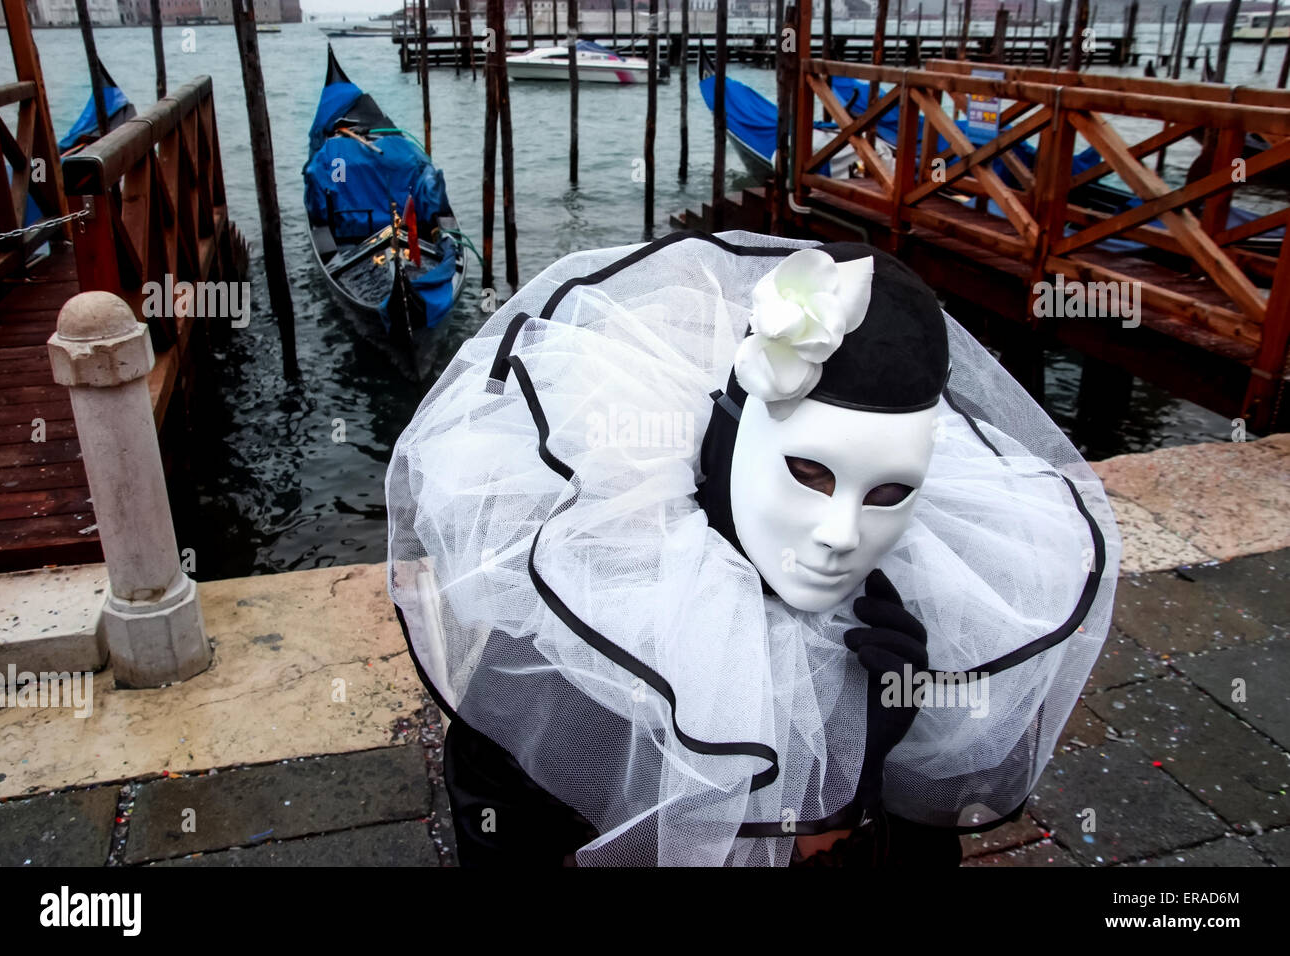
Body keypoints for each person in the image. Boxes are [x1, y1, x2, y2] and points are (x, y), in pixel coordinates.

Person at [387, 231, 1121, 867]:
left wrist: (874, 775)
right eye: (809, 473)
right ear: (736, 444)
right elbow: (505, 841)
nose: (840, 536)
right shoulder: (576, 637)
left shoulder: (911, 620)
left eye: (888, 493)